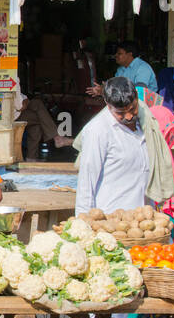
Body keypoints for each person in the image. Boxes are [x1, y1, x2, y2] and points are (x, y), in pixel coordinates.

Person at [75, 76, 151, 215]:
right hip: (110, 219)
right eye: (121, 113)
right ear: (107, 105)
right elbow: (87, 180)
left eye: (132, 109)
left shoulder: (146, 121)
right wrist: (84, 221)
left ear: (137, 99)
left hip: (142, 219)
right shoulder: (98, 130)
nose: (128, 116)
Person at [14, 85, 72, 160]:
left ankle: (32, 158)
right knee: (40, 119)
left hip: (16, 112)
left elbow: (22, 98)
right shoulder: (12, 77)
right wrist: (24, 101)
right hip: (10, 115)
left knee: (37, 104)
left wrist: (25, 101)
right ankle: (57, 139)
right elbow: (21, 106)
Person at [88, 40, 157, 97]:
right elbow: (116, 87)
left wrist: (107, 91)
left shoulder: (143, 68)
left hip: (145, 106)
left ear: (129, 54)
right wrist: (104, 89)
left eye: (119, 53)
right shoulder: (121, 69)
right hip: (128, 103)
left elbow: (138, 93)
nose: (115, 56)